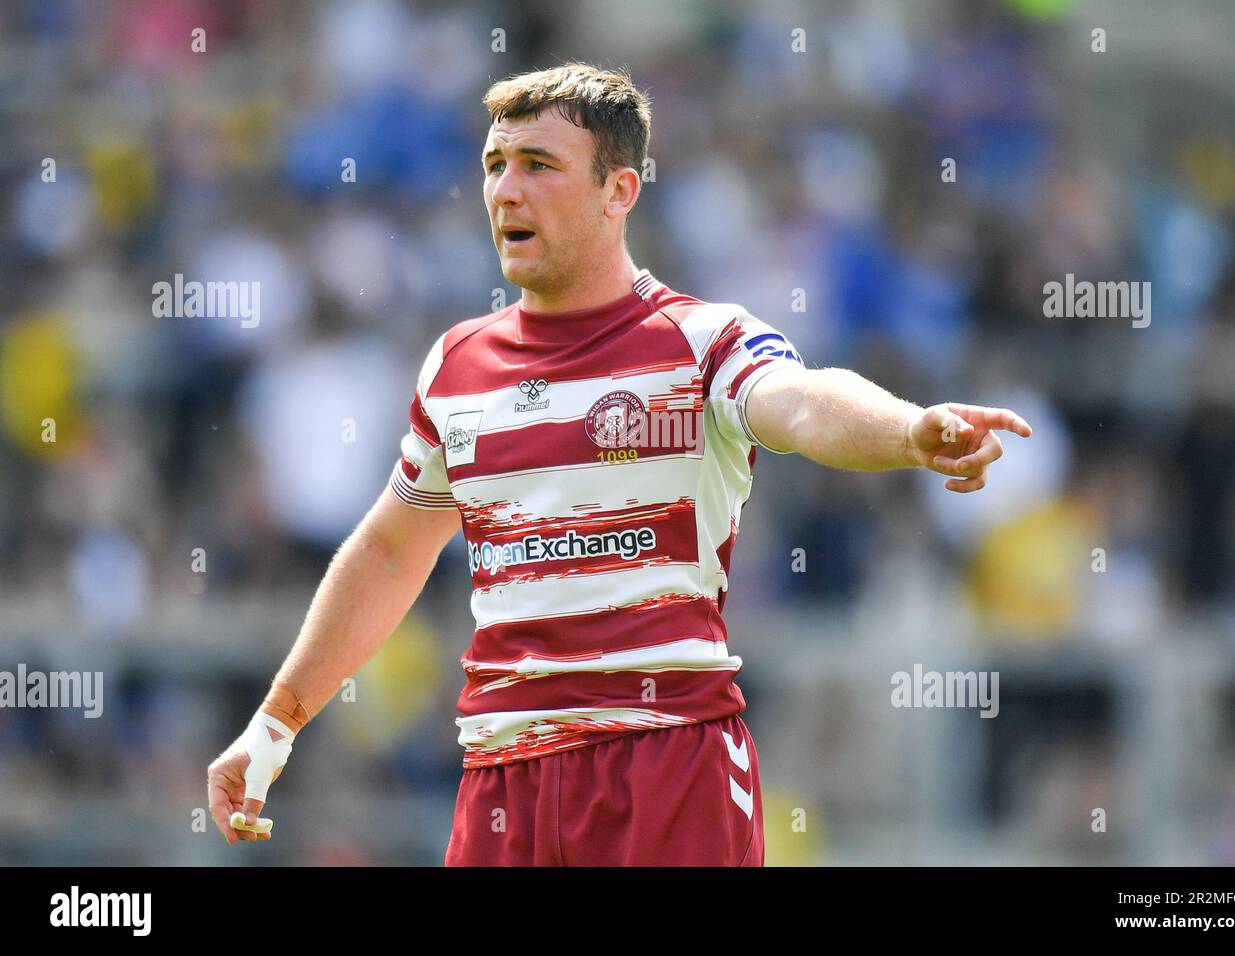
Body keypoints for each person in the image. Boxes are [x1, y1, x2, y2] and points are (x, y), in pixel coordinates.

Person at [206, 62, 1032, 866]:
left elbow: (805, 400)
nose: (504, 190)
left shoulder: (701, 342)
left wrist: (910, 429)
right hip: (502, 784)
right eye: (495, 165)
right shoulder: (455, 368)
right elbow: (390, 550)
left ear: (618, 191)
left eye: (538, 165)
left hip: (665, 766)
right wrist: (275, 721)